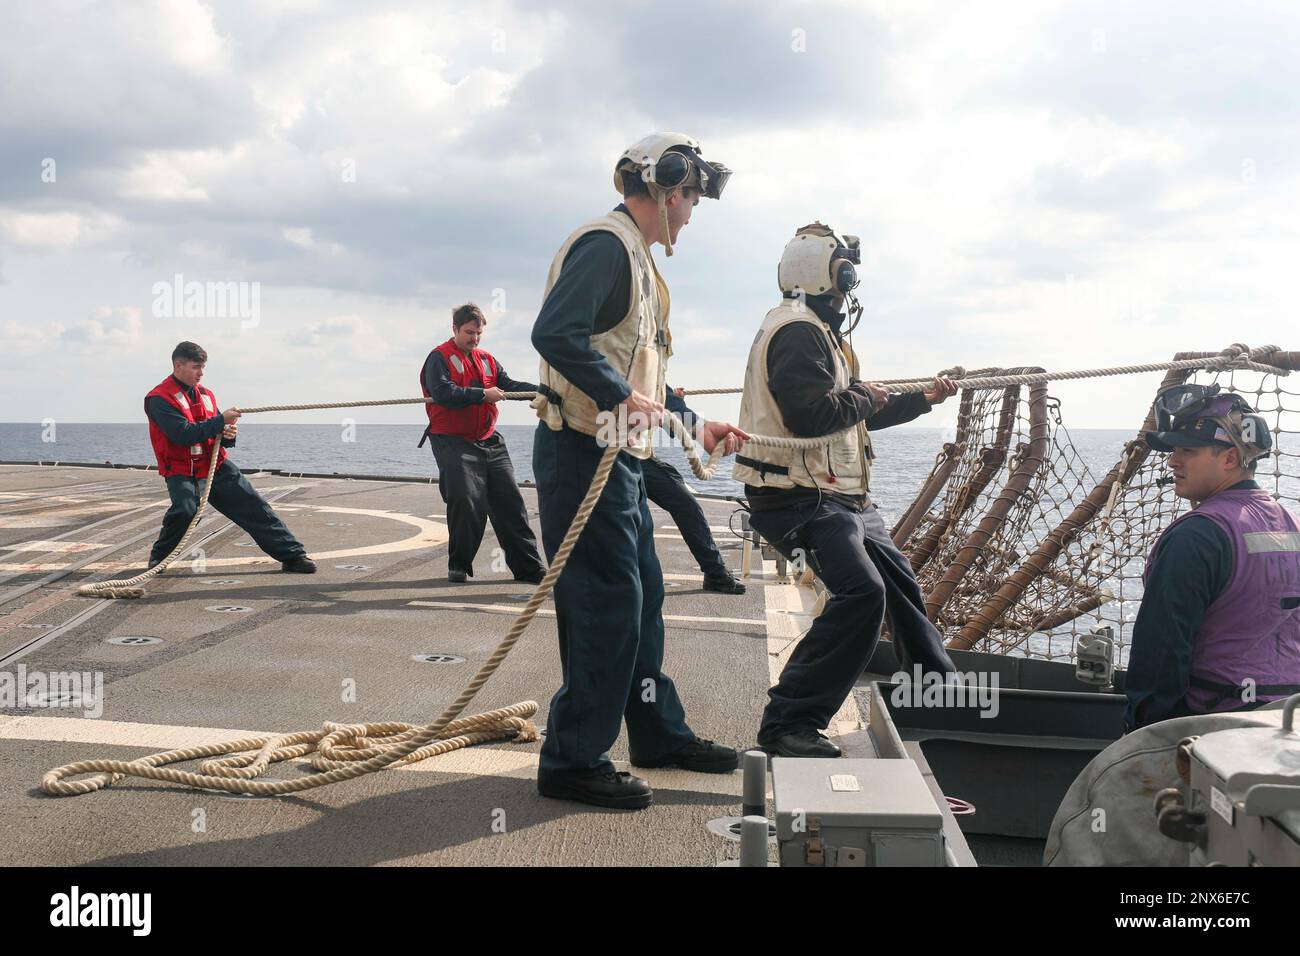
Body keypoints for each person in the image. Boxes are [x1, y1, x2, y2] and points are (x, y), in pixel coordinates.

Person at [529, 132, 748, 809]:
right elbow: (554, 334)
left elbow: (642, 373)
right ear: (670, 190)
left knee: (642, 599)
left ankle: (655, 731)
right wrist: (619, 395)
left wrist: (695, 424)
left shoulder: (643, 267)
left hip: (620, 460)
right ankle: (571, 761)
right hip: (582, 455)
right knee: (605, 606)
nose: (693, 213)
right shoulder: (606, 247)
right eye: (693, 199)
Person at [733, 223, 959, 758]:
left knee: (897, 580)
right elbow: (814, 417)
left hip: (839, 497)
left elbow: (852, 419)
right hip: (798, 498)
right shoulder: (797, 332)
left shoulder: (820, 333)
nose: (850, 287)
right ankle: (789, 723)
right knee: (862, 593)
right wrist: (863, 397)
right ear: (831, 275)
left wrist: (921, 398)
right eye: (846, 275)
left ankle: (935, 686)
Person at [1123, 386, 1300, 731]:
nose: (1173, 461)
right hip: (1289, 724)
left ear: (1230, 458)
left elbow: (1162, 655)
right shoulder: (1294, 525)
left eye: (1188, 450)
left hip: (1215, 728)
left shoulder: (1197, 536)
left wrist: (1144, 733)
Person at [144, 341, 316, 573]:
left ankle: (294, 556)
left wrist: (227, 435)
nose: (201, 373)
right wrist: (220, 421)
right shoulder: (158, 399)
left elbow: (214, 432)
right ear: (178, 365)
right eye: (196, 367)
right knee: (185, 510)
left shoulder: (207, 395)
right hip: (182, 470)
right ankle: (159, 560)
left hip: (216, 466)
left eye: (203, 367)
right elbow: (182, 434)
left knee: (254, 506)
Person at [419, 303, 546, 584]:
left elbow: (507, 385)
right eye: (469, 332)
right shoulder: (438, 358)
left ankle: (529, 568)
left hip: (489, 440)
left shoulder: (487, 359)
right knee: (466, 500)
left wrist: (541, 391)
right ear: (454, 329)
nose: (474, 338)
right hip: (452, 440)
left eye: (478, 333)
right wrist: (481, 394)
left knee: (511, 503)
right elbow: (442, 392)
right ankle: (459, 564)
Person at [638, 385, 746, 594]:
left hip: (639, 455)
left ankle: (715, 573)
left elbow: (659, 392)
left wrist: (692, 421)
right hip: (602, 454)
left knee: (685, 503)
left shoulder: (653, 366)